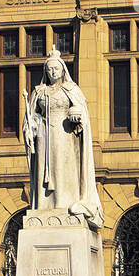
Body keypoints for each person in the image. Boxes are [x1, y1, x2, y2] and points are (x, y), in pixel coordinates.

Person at [22, 50, 104, 227]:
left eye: (56, 69)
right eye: (49, 69)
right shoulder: (39, 91)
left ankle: (65, 202)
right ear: (45, 72)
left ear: (62, 70)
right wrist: (29, 129)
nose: (53, 72)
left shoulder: (72, 90)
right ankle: (45, 205)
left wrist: (77, 115)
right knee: (45, 169)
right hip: (44, 136)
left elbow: (82, 112)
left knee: (64, 168)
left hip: (65, 134)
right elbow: (33, 116)